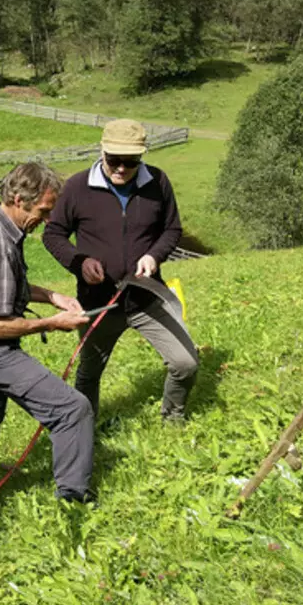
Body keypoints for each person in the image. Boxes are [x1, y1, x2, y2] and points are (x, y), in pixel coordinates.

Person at [0, 163, 97, 503]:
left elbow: (9, 285)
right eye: (43, 210)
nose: (47, 218)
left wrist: (53, 297)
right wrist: (52, 323)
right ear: (17, 199)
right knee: (72, 410)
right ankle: (73, 498)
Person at [43, 118, 199, 423]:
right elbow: (53, 235)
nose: (121, 169)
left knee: (186, 363)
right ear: (102, 152)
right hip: (99, 304)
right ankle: (84, 432)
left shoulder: (158, 182)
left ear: (141, 156)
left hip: (147, 299)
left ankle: (173, 419)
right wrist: (79, 262)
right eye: (114, 160)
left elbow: (172, 229)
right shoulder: (77, 188)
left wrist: (154, 256)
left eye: (130, 162)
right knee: (88, 374)